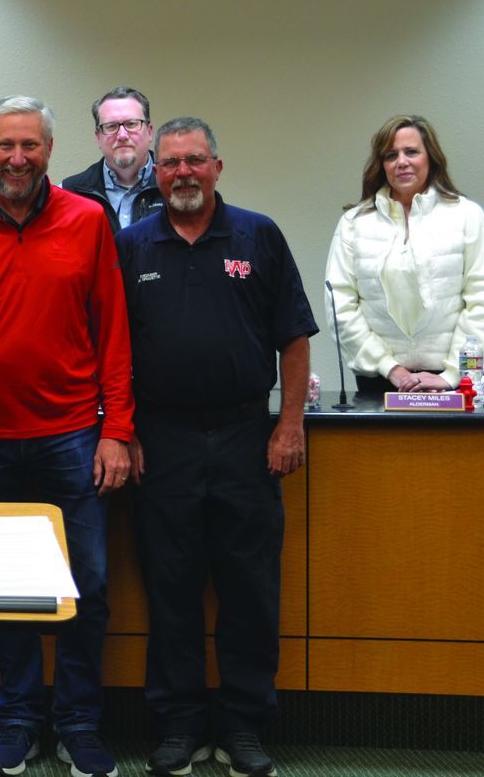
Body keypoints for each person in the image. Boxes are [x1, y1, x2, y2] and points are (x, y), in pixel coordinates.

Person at [0, 95, 132, 777]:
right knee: (3, 586)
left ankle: (77, 723)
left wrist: (117, 430)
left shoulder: (88, 220)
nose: (17, 158)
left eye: (31, 146)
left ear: (49, 150)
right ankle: (17, 718)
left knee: (88, 585)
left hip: (73, 435)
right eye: (6, 145)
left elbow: (114, 332)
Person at [115, 117, 316, 777]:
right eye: (170, 164)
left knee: (249, 589)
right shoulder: (132, 245)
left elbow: (293, 337)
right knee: (169, 591)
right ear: (157, 171)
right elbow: (111, 348)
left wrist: (289, 426)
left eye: (194, 161)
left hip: (244, 439)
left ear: (217, 167)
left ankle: (244, 726)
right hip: (162, 441)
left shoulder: (257, 236)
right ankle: (176, 725)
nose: (182, 174)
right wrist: (125, 430)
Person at [323, 114, 484, 394]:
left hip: (451, 382)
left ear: (430, 157)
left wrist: (452, 375)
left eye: (411, 152)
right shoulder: (354, 223)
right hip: (380, 379)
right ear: (381, 164)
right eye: (391, 155)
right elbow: (341, 305)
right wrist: (390, 368)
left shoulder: (467, 215)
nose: (402, 162)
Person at [58, 87, 164, 233]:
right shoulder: (68, 193)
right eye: (111, 126)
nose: (122, 135)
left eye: (132, 124)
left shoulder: (174, 185)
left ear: (150, 131)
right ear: (98, 137)